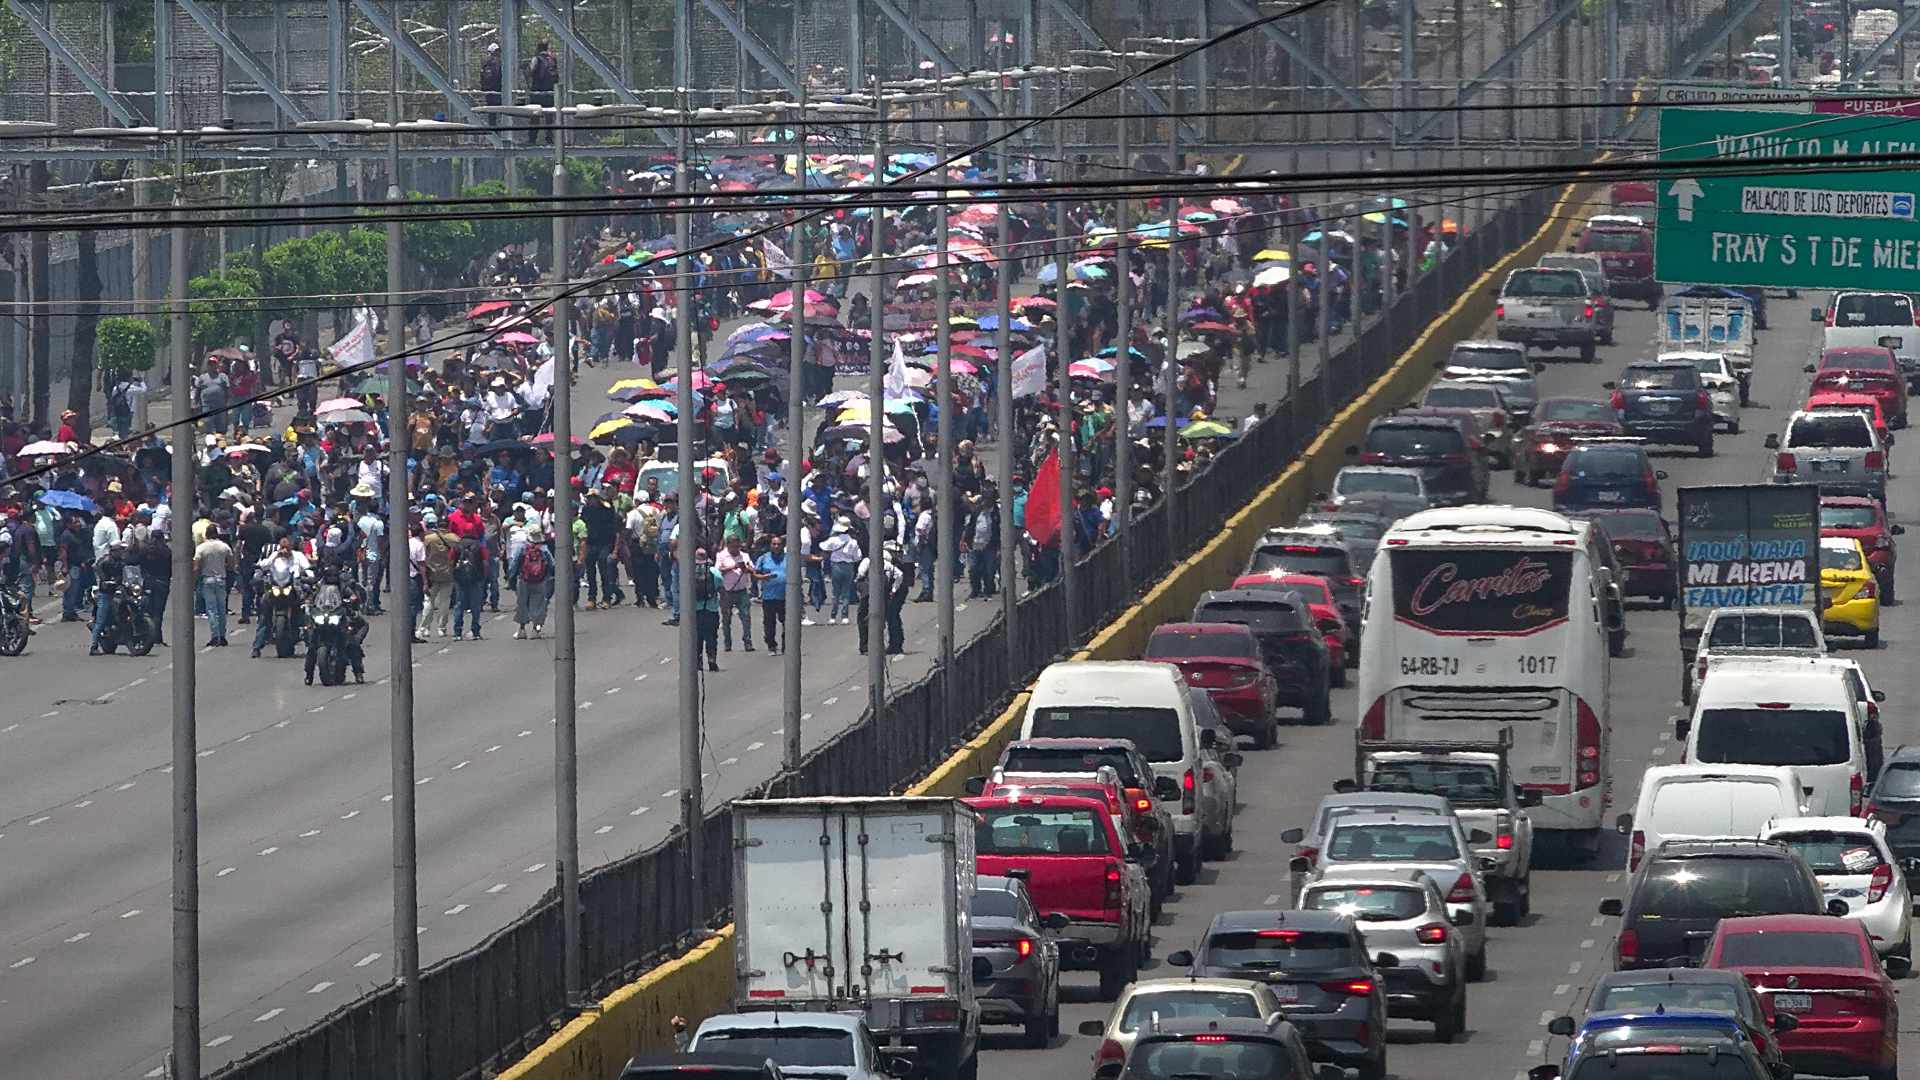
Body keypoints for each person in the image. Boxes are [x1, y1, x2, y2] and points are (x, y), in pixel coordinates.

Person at [252, 535, 313, 658]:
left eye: (287, 547)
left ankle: (310, 644)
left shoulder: (298, 556)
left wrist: (310, 576)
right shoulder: (275, 556)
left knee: (306, 612)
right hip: (276, 588)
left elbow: (308, 568)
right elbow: (264, 564)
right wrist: (257, 569)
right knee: (264, 613)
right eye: (282, 547)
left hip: (293, 589)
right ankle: (257, 647)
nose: (284, 550)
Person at [87, 539, 133, 655]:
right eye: (120, 550)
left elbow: (128, 571)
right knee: (101, 620)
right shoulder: (105, 561)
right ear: (114, 550)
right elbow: (97, 568)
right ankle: (93, 646)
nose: (123, 551)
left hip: (119, 589)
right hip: (106, 592)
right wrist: (104, 580)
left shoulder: (122, 561)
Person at [193, 524, 235, 647]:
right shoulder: (224, 546)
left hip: (207, 579)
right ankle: (222, 636)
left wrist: (194, 581)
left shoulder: (201, 548)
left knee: (211, 609)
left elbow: (196, 567)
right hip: (221, 579)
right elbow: (231, 564)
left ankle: (214, 636)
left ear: (206, 534)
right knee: (222, 609)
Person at [420, 512, 459, 638]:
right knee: (444, 602)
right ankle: (441, 628)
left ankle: (424, 628)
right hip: (448, 573)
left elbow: (423, 553)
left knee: (428, 601)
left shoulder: (429, 538)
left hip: (432, 573)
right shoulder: (454, 538)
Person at [714, 533, 754, 652]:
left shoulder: (744, 556)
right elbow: (717, 571)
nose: (736, 549)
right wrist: (733, 567)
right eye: (733, 546)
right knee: (726, 618)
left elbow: (752, 569)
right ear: (728, 545)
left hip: (742, 591)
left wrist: (745, 569)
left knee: (746, 616)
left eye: (737, 546)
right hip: (727, 591)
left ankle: (747, 641)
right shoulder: (721, 555)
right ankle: (727, 642)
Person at [513, 522, 554, 639]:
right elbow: (552, 565)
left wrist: (511, 578)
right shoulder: (544, 549)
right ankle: (536, 630)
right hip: (540, 581)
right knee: (538, 605)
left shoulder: (522, 548)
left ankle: (521, 630)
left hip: (524, 579)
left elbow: (514, 564)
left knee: (522, 604)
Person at [751, 533, 788, 654]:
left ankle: (786, 646)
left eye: (779, 544)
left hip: (786, 597)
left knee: (787, 623)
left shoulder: (789, 557)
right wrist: (763, 577)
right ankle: (771, 645)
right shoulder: (763, 558)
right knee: (769, 623)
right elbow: (755, 574)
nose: (776, 546)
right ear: (770, 545)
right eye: (774, 544)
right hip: (769, 597)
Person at [820, 517, 861, 624]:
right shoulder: (853, 542)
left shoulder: (833, 540)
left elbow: (823, 546)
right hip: (848, 567)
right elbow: (858, 557)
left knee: (835, 592)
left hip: (836, 566)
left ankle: (833, 616)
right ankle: (844, 616)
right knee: (846, 592)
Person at [450, 531, 488, 640]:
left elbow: (451, 560)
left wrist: (454, 575)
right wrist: (483, 577)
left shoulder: (457, 546)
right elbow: (485, 562)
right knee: (475, 605)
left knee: (459, 605)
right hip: (476, 578)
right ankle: (475, 631)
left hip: (460, 579)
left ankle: (457, 632)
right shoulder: (479, 546)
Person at [690, 546, 722, 671]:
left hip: (695, 610)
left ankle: (698, 660)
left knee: (697, 636)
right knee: (711, 636)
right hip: (711, 609)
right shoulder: (714, 571)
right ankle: (712, 659)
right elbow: (720, 586)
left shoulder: (689, 571)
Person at [480, 42, 504, 109]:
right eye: (496, 52)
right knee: (492, 109)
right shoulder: (487, 65)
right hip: (491, 91)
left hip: (500, 90)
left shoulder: (501, 64)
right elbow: (485, 78)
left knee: (500, 109)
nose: (498, 54)